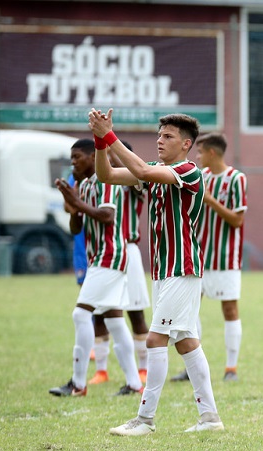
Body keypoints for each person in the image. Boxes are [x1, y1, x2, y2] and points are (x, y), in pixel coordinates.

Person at [91, 109, 224, 436]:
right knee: (187, 342)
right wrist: (99, 141)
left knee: (156, 338)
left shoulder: (190, 170)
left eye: (167, 137)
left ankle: (145, 420)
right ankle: (210, 418)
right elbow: (107, 176)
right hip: (166, 272)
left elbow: (136, 167)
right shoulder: (154, 169)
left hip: (183, 268)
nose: (159, 141)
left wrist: (110, 135)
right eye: (159, 135)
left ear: (186, 144)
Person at [49, 139, 143, 397]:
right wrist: (71, 205)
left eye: (77, 156)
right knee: (114, 320)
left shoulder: (106, 180)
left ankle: (78, 384)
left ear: (93, 156)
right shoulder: (85, 185)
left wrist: (78, 204)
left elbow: (107, 215)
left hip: (110, 255)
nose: (73, 162)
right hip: (99, 257)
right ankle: (134, 383)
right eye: (71, 158)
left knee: (81, 315)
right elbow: (76, 228)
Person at [172, 132, 247, 383]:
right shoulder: (200, 177)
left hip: (226, 258)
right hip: (199, 256)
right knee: (191, 310)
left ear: (212, 153)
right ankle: (192, 367)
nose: (197, 156)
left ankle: (231, 368)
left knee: (229, 309)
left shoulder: (236, 179)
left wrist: (211, 201)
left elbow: (237, 220)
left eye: (200, 152)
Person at [89, 141, 151, 387]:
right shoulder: (97, 184)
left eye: (115, 155)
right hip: (105, 252)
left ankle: (143, 368)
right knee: (100, 312)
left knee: (136, 312)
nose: (110, 160)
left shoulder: (133, 182)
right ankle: (101, 371)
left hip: (129, 249)